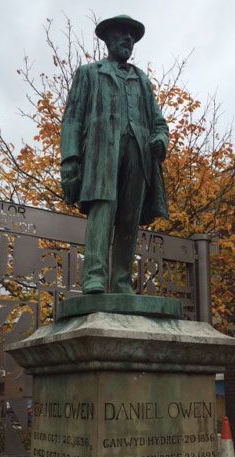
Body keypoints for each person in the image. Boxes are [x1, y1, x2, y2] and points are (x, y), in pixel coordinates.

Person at [61, 14, 168, 294]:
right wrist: (70, 160)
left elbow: (159, 123)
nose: (127, 40)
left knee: (129, 217)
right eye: (121, 35)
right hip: (101, 155)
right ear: (107, 40)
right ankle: (94, 277)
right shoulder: (89, 73)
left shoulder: (142, 80)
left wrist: (160, 139)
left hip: (139, 156)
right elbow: (72, 119)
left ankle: (121, 281)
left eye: (131, 37)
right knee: (102, 210)